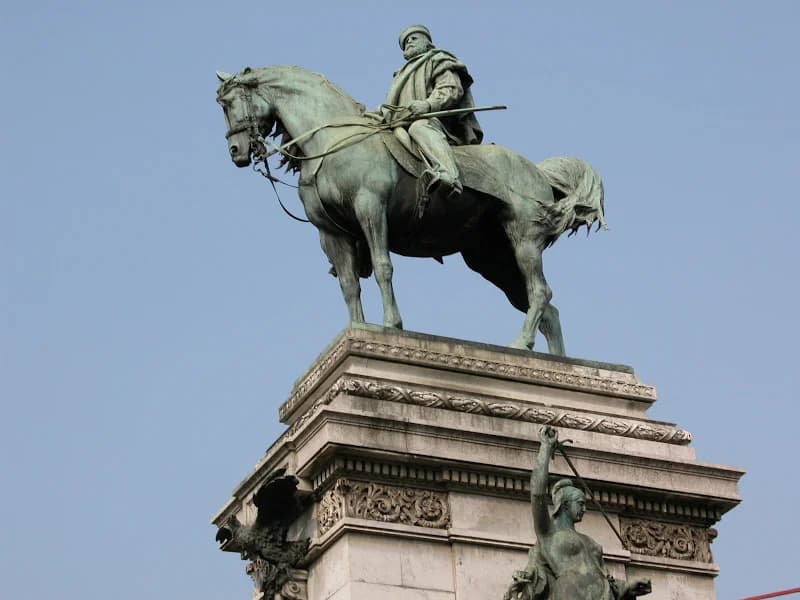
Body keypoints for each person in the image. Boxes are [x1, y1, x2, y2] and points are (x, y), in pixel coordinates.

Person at [506, 426, 652, 600]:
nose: (585, 509)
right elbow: (537, 493)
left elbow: (605, 578)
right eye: (581, 503)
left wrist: (627, 587)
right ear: (565, 505)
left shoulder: (590, 542)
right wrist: (545, 448)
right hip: (570, 593)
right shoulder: (548, 533)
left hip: (602, 595)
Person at [381, 25, 483, 197]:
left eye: (414, 38)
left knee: (419, 127)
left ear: (427, 42)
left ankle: (448, 175)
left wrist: (428, 105)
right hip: (400, 124)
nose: (409, 42)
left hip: (436, 122)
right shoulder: (399, 74)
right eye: (406, 41)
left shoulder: (438, 59)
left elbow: (451, 88)